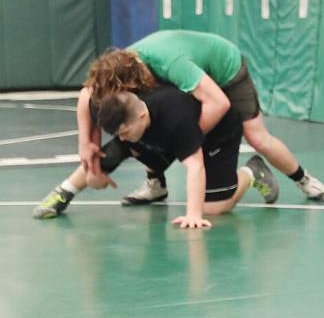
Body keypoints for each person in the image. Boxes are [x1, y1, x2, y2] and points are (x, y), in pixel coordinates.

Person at [74, 30, 324, 206]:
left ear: (130, 81)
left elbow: (218, 103)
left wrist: (184, 141)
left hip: (227, 72)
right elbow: (87, 94)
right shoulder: (121, 65)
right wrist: (85, 143)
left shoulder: (172, 65)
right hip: (195, 74)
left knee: (257, 137)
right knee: (145, 124)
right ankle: (156, 184)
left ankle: (303, 180)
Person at [34, 82, 278, 229]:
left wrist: (193, 214)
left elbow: (195, 166)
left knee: (215, 208)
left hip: (217, 132)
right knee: (111, 153)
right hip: (161, 136)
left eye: (125, 131)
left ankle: (251, 172)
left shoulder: (175, 119)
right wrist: (88, 155)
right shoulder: (122, 112)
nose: (123, 137)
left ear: (141, 117)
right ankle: (62, 193)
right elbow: (87, 93)